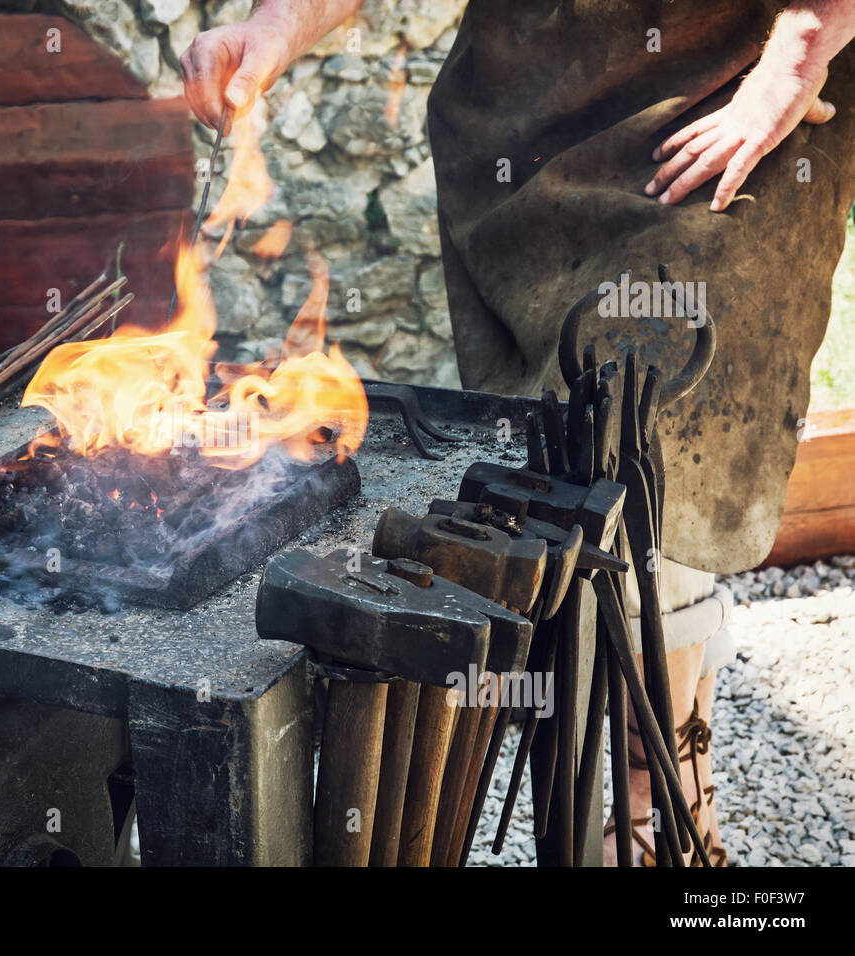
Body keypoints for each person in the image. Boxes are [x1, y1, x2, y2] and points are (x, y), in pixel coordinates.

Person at [181, 0, 855, 865]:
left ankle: (662, 799)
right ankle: (580, 790)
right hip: (525, 104)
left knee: (662, 431)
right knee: (558, 455)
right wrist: (273, 29)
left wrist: (796, 56)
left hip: (731, 79)